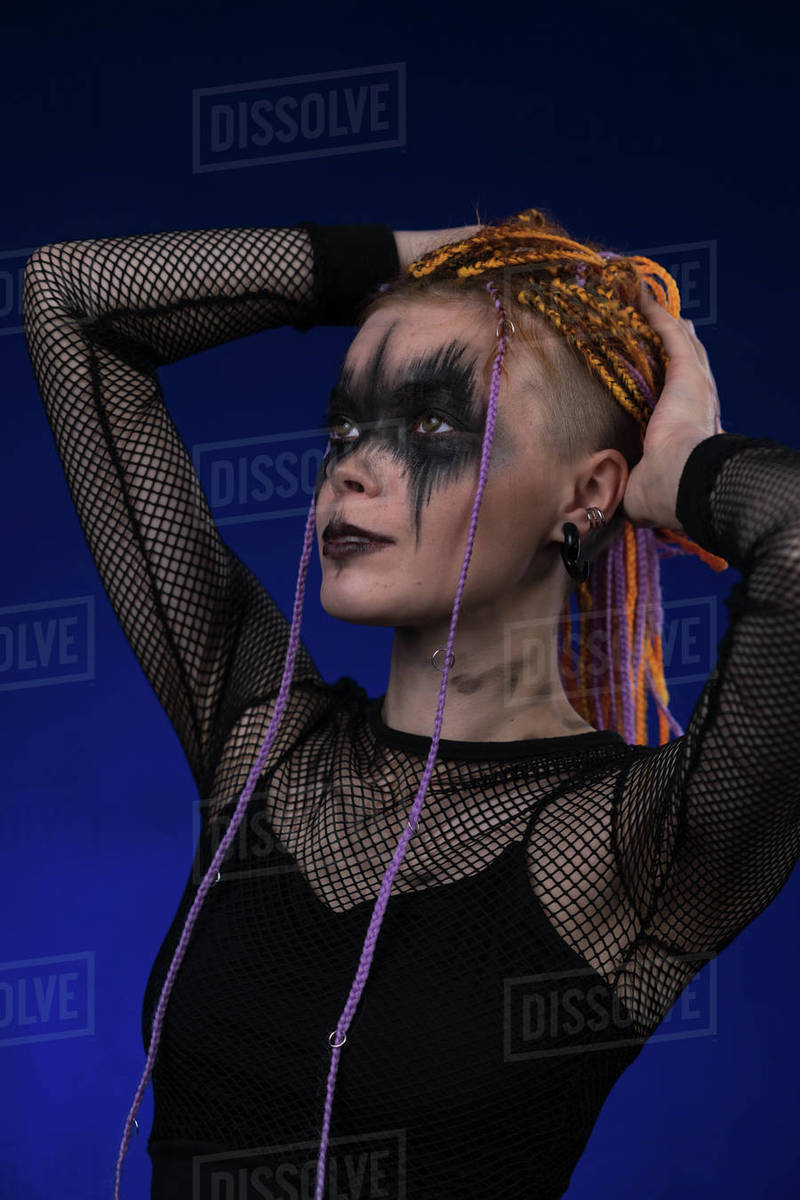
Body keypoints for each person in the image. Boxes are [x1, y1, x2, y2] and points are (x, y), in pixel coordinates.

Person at [21, 209, 800, 1200]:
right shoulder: (267, 743)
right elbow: (69, 296)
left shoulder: (636, 844)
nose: (351, 463)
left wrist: (686, 457)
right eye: (346, 424)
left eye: (430, 424)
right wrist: (436, 263)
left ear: (589, 495)